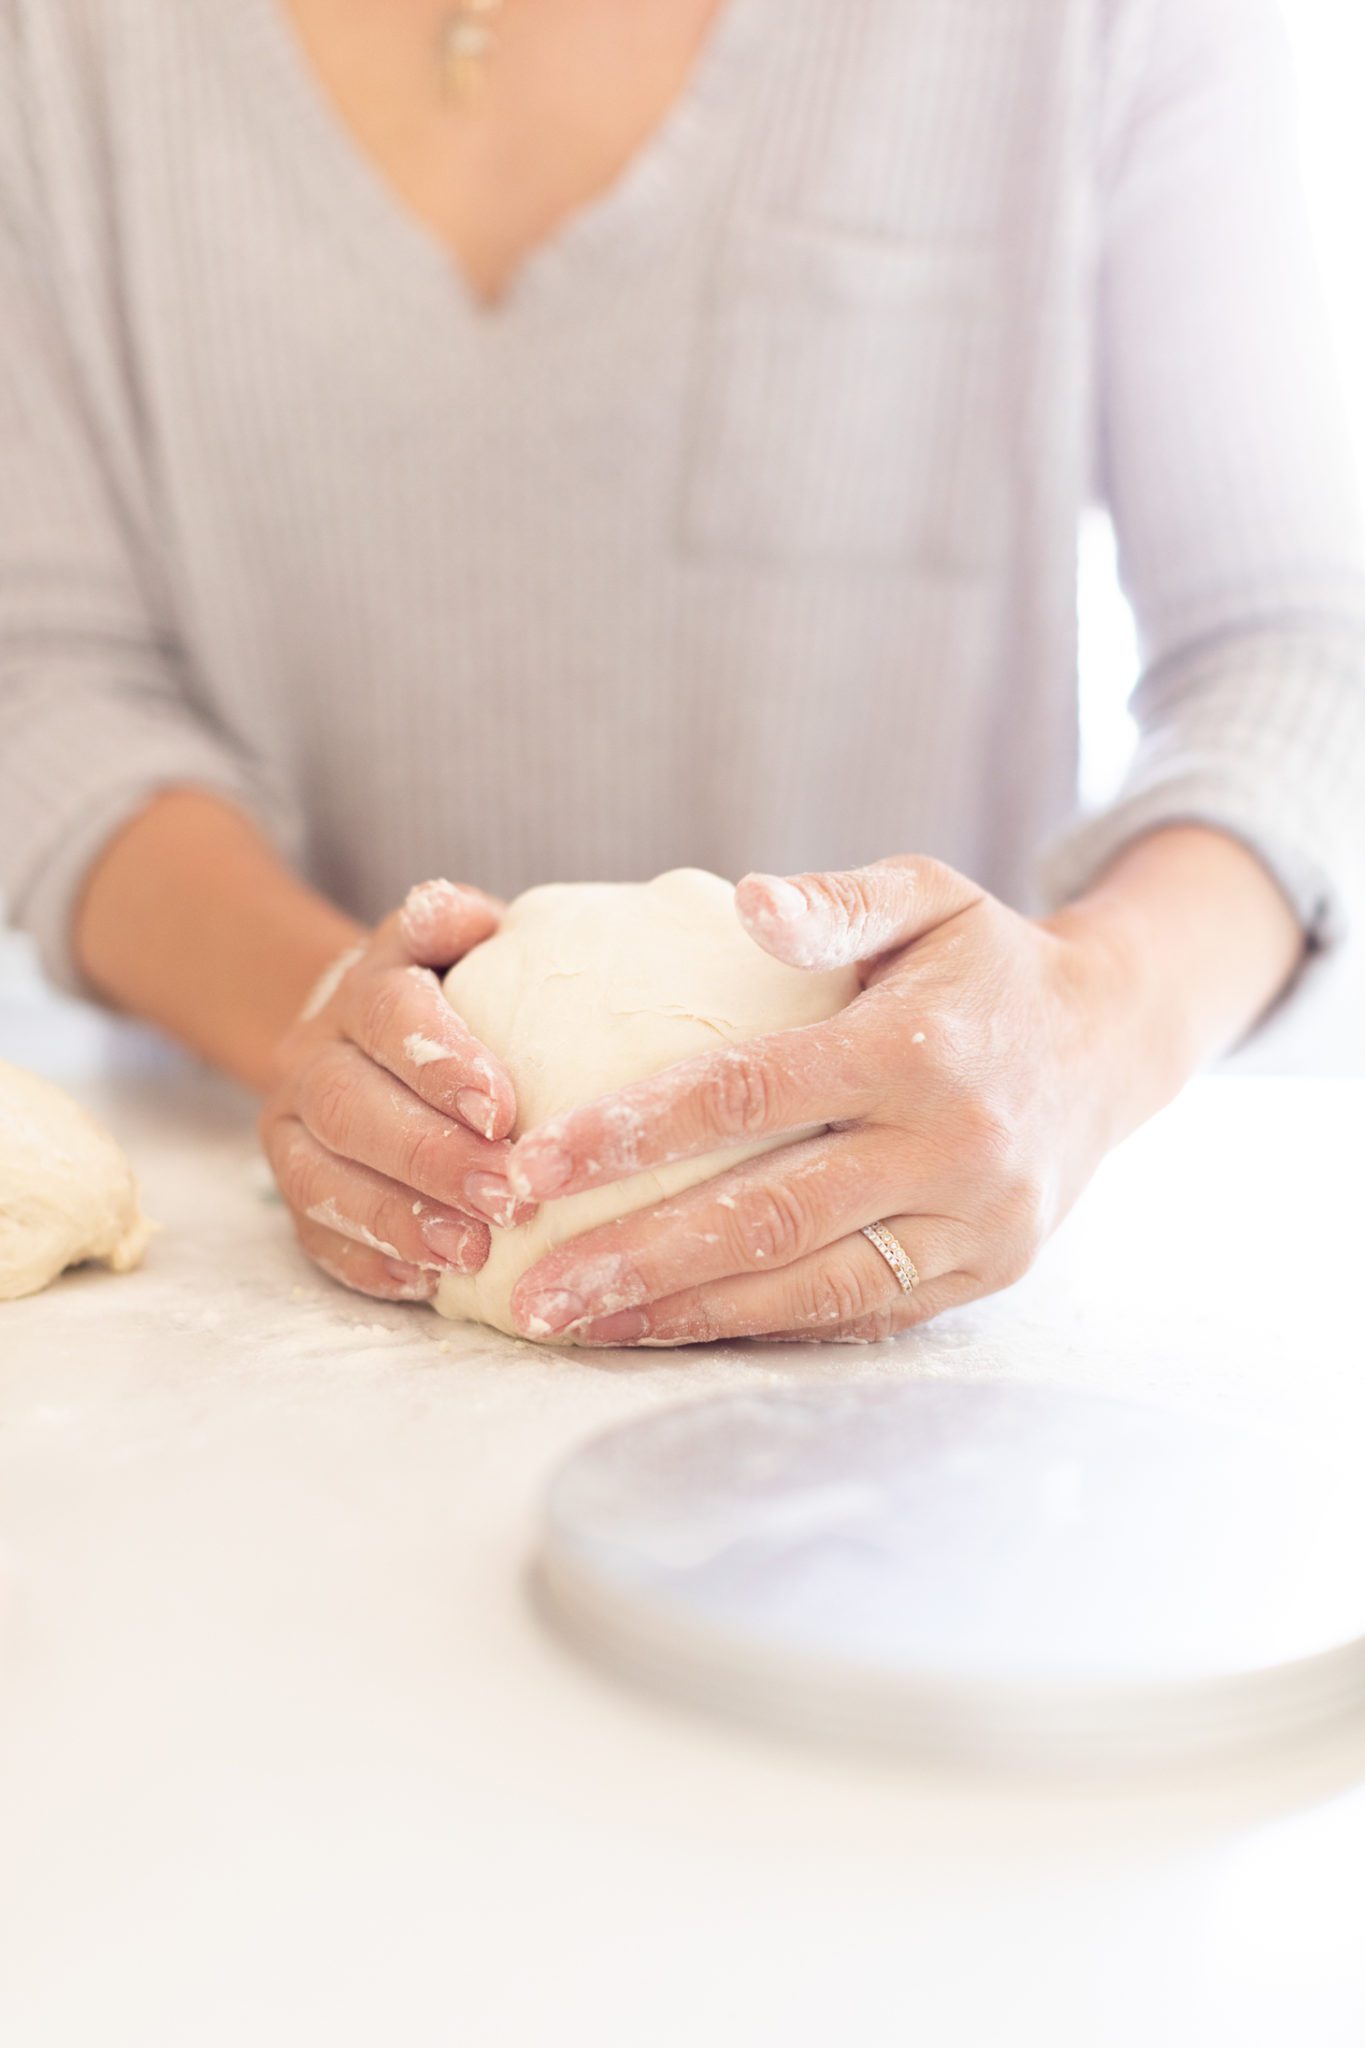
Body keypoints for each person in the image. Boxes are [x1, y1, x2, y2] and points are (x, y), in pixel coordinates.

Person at [1, 0, 1361, 1345]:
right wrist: (318, 1030)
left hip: (928, 1316)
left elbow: (1292, 655)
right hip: (253, 1297)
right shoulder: (67, 42)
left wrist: (1087, 1024)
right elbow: (45, 673)